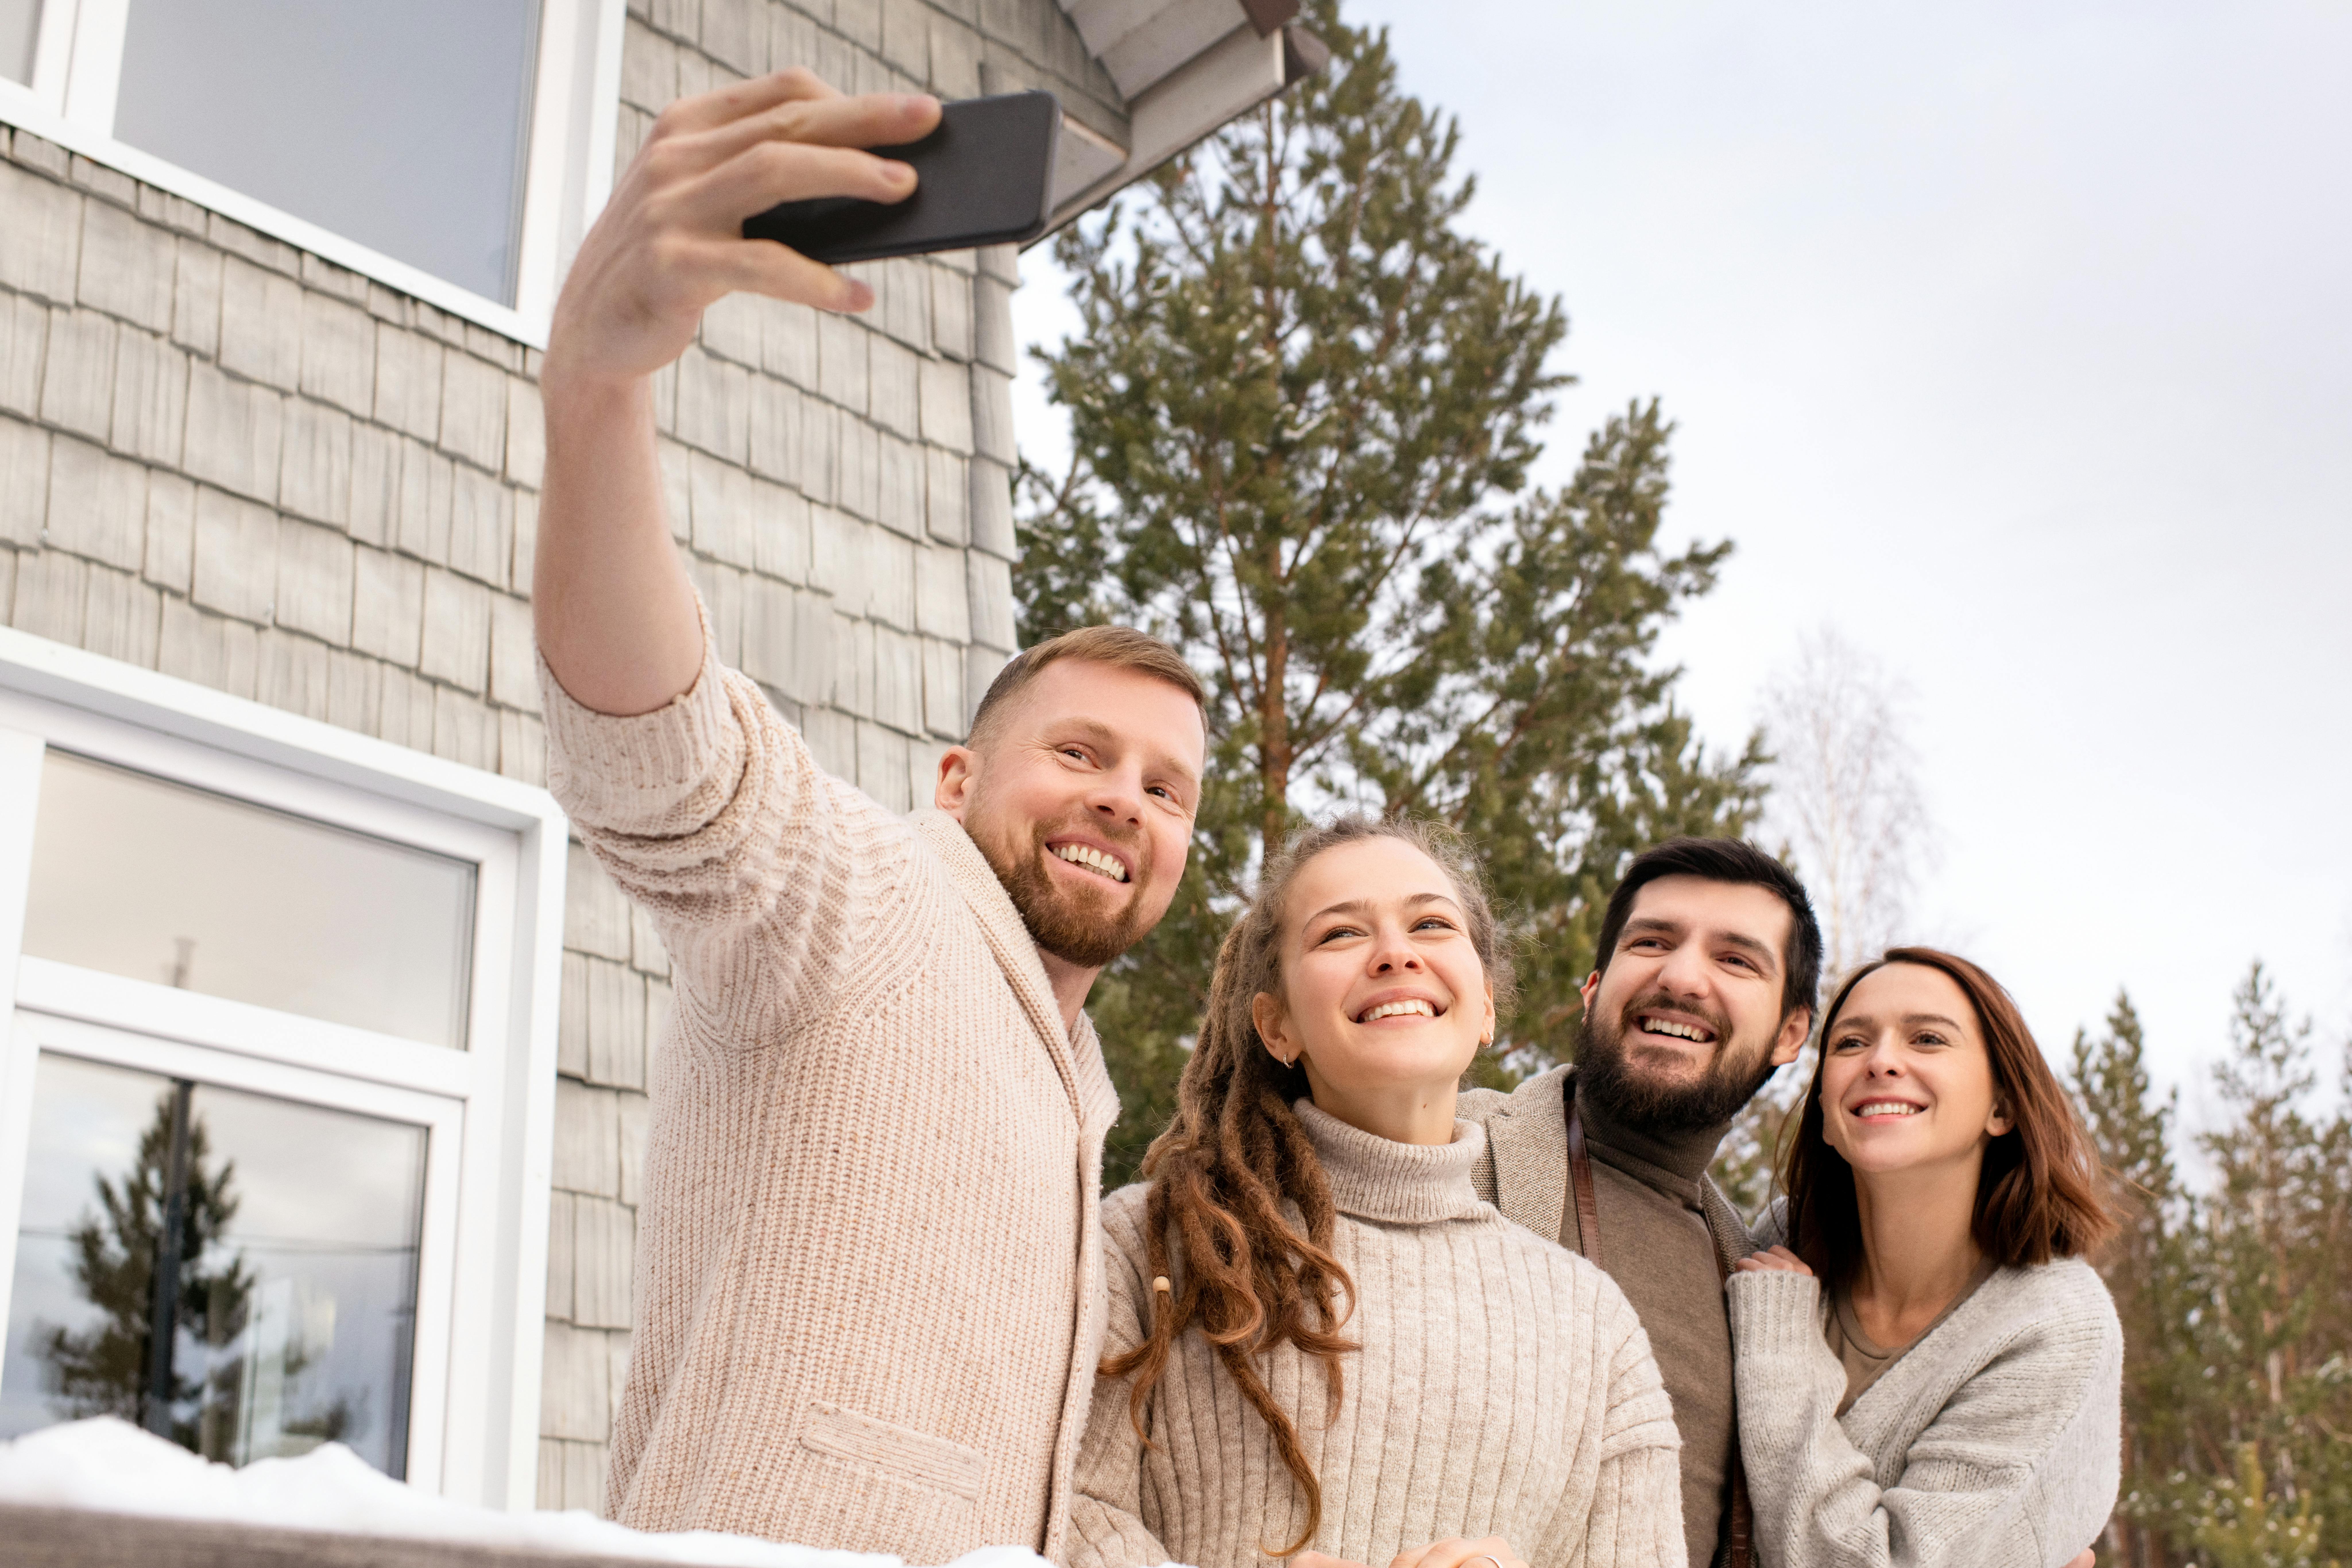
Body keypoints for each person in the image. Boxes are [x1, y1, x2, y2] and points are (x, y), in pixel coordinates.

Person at [533, 68, 1210, 1559]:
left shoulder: (1077, 1086)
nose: (1124, 800)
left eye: (1167, 789)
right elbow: (672, 768)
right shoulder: (872, 902)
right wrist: (597, 388)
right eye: (1083, 754)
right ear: (955, 781)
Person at [1071, 817, 1688, 1568]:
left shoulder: (1598, 1328)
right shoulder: (1143, 1245)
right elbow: (1064, 1510)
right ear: (1277, 1024)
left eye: (1431, 922)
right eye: (1338, 934)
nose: (1397, 952)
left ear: (1488, 1005)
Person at [1460, 838, 1821, 1568]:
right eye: (1652, 941)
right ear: (1595, 988)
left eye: (1736, 960)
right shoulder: (1445, 1151)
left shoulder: (1760, 1293)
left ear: (1790, 1033)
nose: (1682, 976)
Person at [1728, 948, 2122, 1568]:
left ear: (2002, 1107)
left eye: (1928, 1038)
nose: (1882, 1061)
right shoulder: (1778, 1244)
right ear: (1828, 1118)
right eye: (1851, 1042)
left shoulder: (2056, 1324)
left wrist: (1781, 1357)